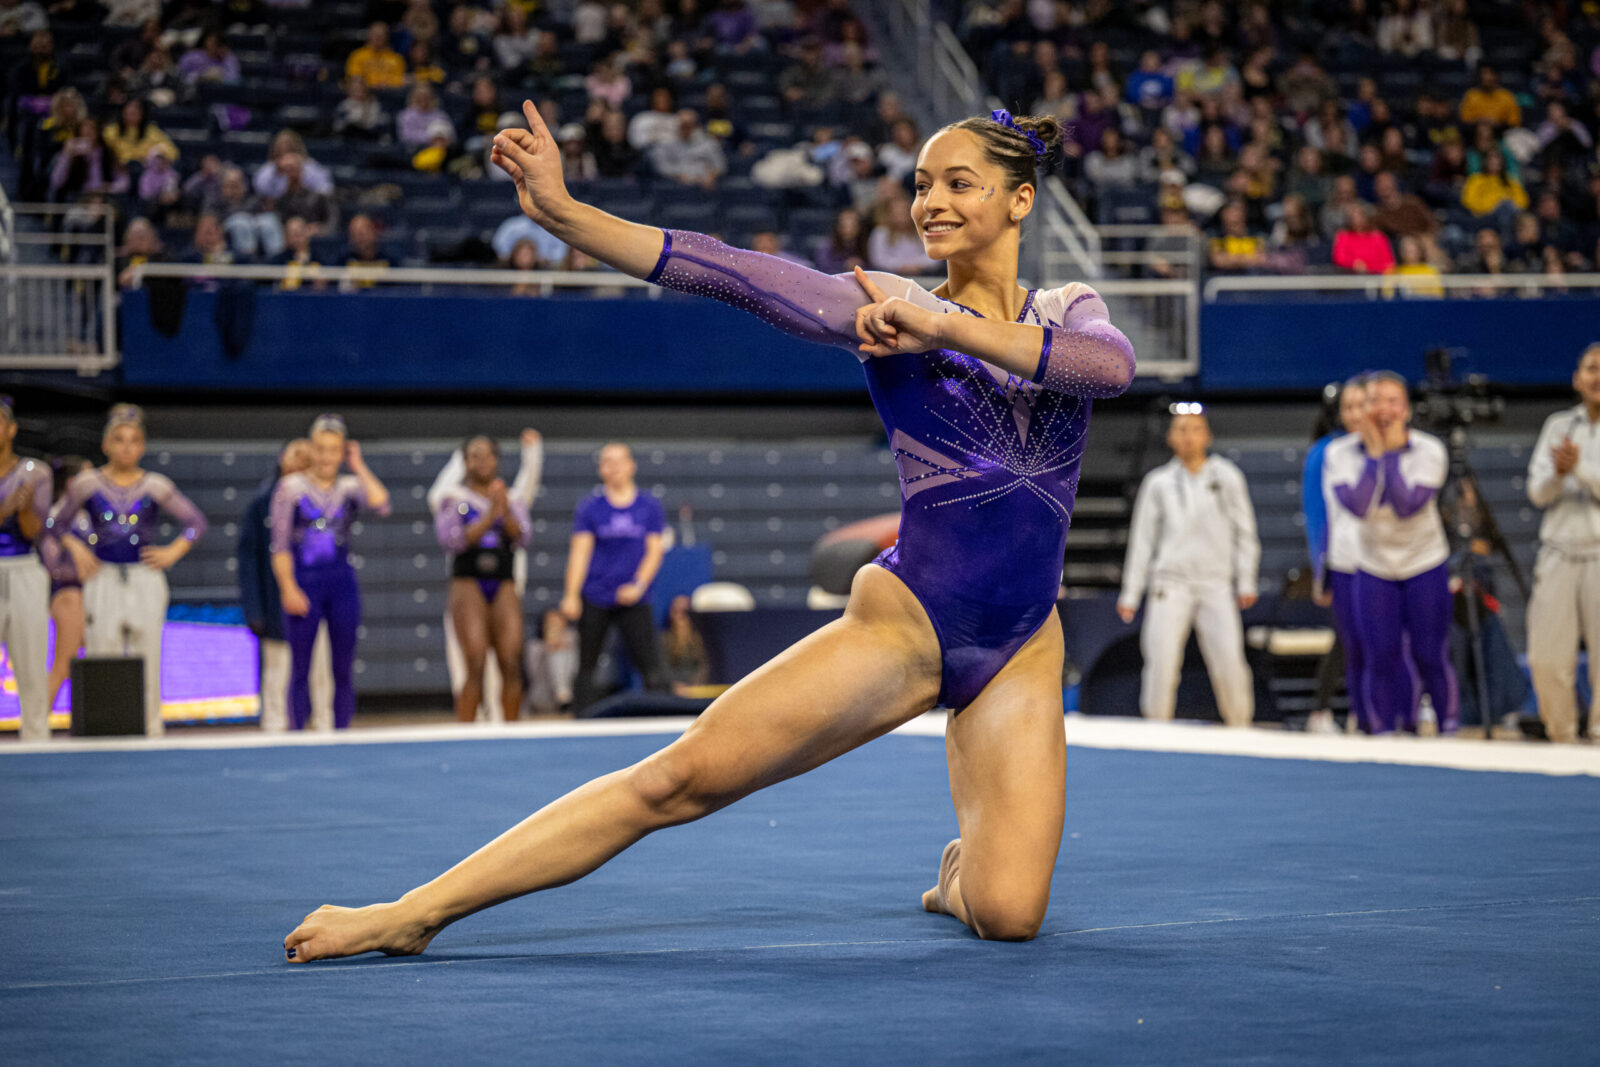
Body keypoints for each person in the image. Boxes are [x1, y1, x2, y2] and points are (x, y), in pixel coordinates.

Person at [282, 102, 1133, 962]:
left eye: (960, 183)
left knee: (1009, 912)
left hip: (1023, 644)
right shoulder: (882, 305)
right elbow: (731, 273)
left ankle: (959, 879)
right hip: (909, 624)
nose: (931, 202)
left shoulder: (1064, 305)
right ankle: (414, 910)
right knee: (677, 779)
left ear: (1021, 201)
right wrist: (568, 213)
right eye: (920, 186)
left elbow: (1112, 369)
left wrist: (942, 326)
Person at [47, 405, 207, 737]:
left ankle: (150, 727)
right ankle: (102, 728)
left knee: (147, 654)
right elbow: (55, 523)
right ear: (106, 445)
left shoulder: (155, 485)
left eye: (134, 441)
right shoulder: (88, 483)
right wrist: (77, 547)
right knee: (101, 651)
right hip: (102, 576)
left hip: (143, 576)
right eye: (119, 440)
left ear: (143, 447)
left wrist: (173, 551)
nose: (126, 447)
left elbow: (195, 523)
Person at [1326, 373, 1458, 735]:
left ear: (1406, 409)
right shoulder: (1340, 452)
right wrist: (1373, 457)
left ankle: (1447, 727)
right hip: (1373, 564)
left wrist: (1388, 455)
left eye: (1391, 401)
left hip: (1423, 561)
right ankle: (1382, 732)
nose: (1382, 409)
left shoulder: (1430, 449)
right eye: (1374, 400)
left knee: (1429, 653)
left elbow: (1407, 505)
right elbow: (1357, 505)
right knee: (1379, 654)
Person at [1117, 406, 1260, 727]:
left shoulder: (1227, 477)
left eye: (1195, 429)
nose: (1188, 437)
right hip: (1170, 584)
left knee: (1229, 662)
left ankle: (1241, 727)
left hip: (1216, 583)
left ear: (1207, 435)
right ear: (1170, 437)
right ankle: (1157, 729)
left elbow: (1245, 532)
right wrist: (1131, 592)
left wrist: (1246, 580)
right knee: (1161, 661)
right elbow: (1143, 540)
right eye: (1181, 429)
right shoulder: (1158, 482)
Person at [270, 416, 391, 731]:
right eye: (321, 449)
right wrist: (288, 587)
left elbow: (382, 504)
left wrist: (359, 465)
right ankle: (297, 733)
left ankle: (341, 734)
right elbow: (280, 545)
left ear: (342, 453)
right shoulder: (291, 488)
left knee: (342, 667)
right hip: (305, 582)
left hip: (341, 582)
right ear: (311, 449)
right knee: (300, 667)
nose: (326, 457)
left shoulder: (350, 487)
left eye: (333, 450)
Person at [428, 429, 543, 721]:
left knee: (510, 662)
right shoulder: (452, 498)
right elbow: (452, 540)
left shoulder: (510, 497)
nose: (482, 462)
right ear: (464, 462)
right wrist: (491, 515)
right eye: (474, 456)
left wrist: (504, 511)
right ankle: (467, 730)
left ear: (497, 459)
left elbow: (524, 537)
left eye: (488, 455)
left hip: (503, 582)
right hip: (468, 582)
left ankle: (512, 731)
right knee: (475, 662)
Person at [1524, 344, 1600, 743]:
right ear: (1576, 378)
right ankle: (1562, 737)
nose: (1597, 376)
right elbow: (1538, 493)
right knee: (1547, 658)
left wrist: (1581, 470)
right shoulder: (1558, 425)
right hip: (1558, 549)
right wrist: (1557, 472)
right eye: (1591, 368)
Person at [564, 442, 670, 710]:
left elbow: (654, 551)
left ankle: (664, 721)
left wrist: (638, 585)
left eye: (619, 461)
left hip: (635, 597)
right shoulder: (590, 508)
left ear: (631, 465)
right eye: (607, 462)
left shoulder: (649, 506)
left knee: (651, 666)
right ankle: (581, 722)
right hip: (595, 596)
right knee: (586, 665)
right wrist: (571, 595)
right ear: (601, 469)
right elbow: (580, 553)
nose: (614, 468)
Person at [238, 438, 334, 732]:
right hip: (275, 602)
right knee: (277, 671)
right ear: (281, 460)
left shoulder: (322, 501)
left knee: (320, 670)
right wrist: (254, 609)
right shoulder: (261, 504)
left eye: (307, 457)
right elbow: (249, 560)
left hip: (317, 597)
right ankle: (275, 727)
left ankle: (323, 724)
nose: (300, 462)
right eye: (294, 456)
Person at [1304, 377, 1371, 733]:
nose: (1357, 414)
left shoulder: (1384, 448)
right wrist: (1322, 569)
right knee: (1349, 637)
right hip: (1344, 562)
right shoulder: (1326, 454)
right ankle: (1321, 711)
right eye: (1348, 408)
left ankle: (1369, 709)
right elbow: (1318, 516)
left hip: (1383, 560)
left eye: (1363, 405)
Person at [0, 401, 54, 742]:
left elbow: (37, 532)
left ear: (11, 429)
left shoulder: (36, 473)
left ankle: (37, 737)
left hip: (24, 569)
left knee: (31, 663)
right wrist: (5, 507)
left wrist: (23, 510)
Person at [41, 456, 92, 716]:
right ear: (72, 483)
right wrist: (84, 567)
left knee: (94, 665)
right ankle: (36, 728)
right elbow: (53, 565)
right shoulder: (55, 516)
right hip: (68, 594)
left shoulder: (87, 516)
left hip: (89, 594)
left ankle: (93, 720)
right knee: (63, 665)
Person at [525, 608, 577, 715]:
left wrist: (564, 643)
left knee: (560, 654)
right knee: (556, 655)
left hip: (574, 693)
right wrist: (548, 649)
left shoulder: (574, 640)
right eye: (551, 624)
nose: (555, 628)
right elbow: (533, 676)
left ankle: (563, 695)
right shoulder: (534, 647)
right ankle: (562, 694)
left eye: (558, 623)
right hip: (542, 697)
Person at [663, 594, 709, 694]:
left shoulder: (699, 640)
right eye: (675, 612)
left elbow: (704, 666)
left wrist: (694, 686)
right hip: (671, 691)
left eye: (684, 613)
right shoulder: (663, 639)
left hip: (696, 689)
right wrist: (674, 685)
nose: (679, 617)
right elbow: (662, 667)